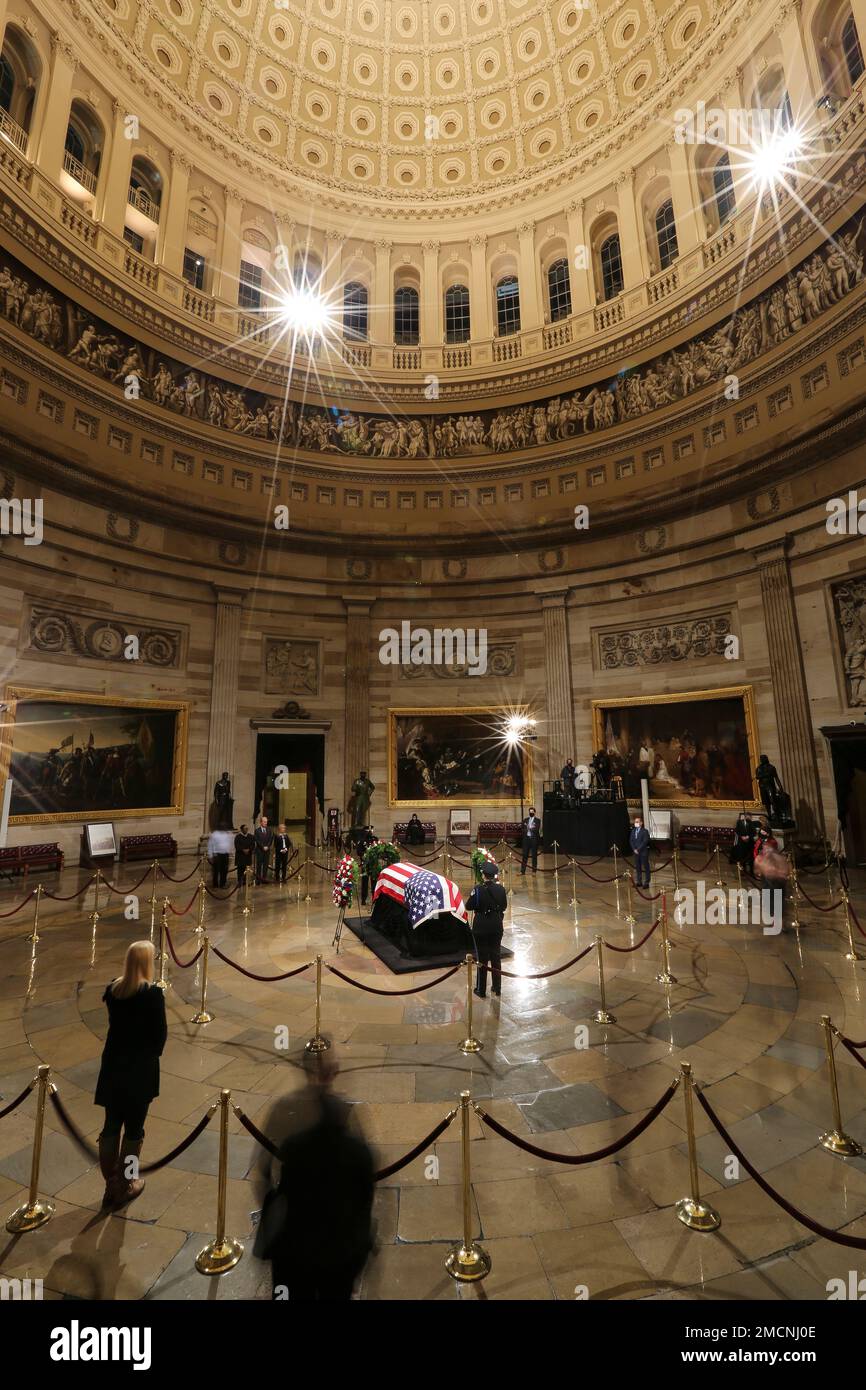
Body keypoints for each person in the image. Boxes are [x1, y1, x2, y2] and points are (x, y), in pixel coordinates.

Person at [254, 1052, 375, 1301]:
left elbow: (262, 1171)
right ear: (333, 1071)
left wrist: (274, 1211)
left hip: (293, 1244)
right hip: (339, 1248)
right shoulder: (349, 1119)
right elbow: (365, 1193)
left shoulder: (283, 1110)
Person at [94, 941, 167, 1209]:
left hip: (113, 1067)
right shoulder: (153, 995)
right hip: (139, 1071)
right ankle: (126, 1183)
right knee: (135, 1131)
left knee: (111, 1125)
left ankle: (110, 1183)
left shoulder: (113, 990)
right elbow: (159, 1039)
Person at [467, 860, 507, 999]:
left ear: (483, 875)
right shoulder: (501, 889)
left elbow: (469, 906)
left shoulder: (478, 889)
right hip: (496, 926)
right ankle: (497, 987)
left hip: (481, 927)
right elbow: (504, 907)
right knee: (496, 957)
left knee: (482, 958)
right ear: (494, 875)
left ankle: (481, 989)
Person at [630, 814, 651, 889]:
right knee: (638, 867)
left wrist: (638, 849)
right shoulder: (633, 831)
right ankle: (639, 881)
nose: (636, 823)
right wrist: (634, 849)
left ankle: (647, 882)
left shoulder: (645, 831)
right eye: (635, 822)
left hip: (643, 852)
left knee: (646, 867)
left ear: (641, 823)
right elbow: (631, 841)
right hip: (636, 852)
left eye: (637, 822)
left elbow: (645, 842)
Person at [520, 807, 541, 874]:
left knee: (534, 856)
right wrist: (528, 828)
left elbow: (536, 829)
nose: (531, 813)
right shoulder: (525, 820)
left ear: (534, 812)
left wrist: (530, 828)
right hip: (526, 840)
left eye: (532, 812)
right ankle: (522, 871)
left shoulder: (538, 820)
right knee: (524, 855)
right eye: (530, 812)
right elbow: (522, 829)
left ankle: (534, 871)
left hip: (534, 840)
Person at [254, 815, 274, 884]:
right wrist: (263, 847)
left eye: (266, 822)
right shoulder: (257, 831)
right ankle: (258, 879)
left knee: (265, 865)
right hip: (260, 850)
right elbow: (257, 840)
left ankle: (264, 879)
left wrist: (267, 846)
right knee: (259, 865)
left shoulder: (269, 830)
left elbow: (270, 840)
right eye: (264, 822)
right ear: (261, 822)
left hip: (267, 850)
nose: (266, 823)